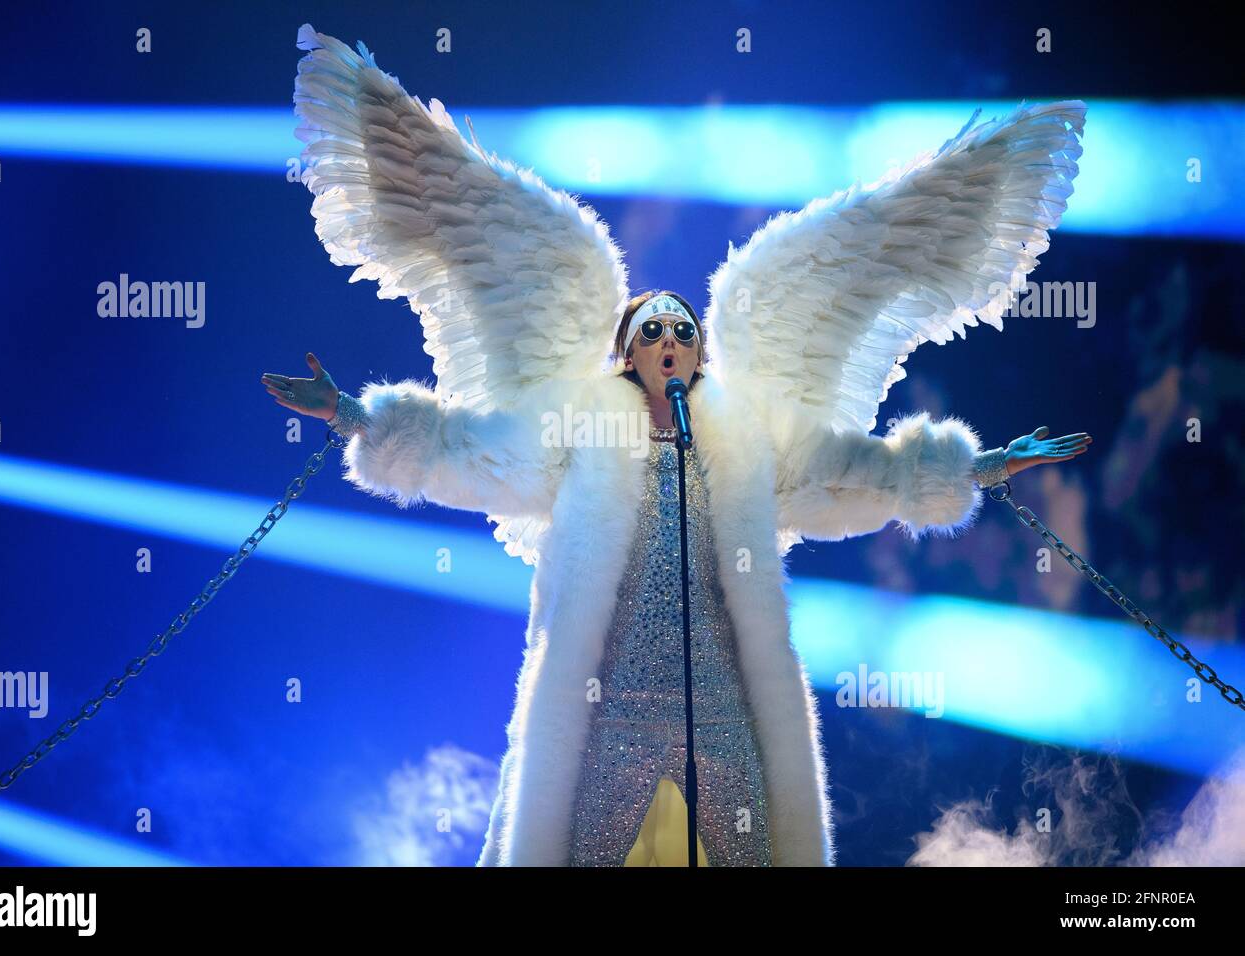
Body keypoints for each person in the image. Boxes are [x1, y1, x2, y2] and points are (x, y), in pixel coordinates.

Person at [266, 24, 1090, 865]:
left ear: (699, 351)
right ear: (627, 352)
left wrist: (983, 467)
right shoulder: (579, 425)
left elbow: (857, 478)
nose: (670, 337)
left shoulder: (749, 433)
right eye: (652, 329)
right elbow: (470, 456)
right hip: (602, 727)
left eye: (683, 330)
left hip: (726, 720)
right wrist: (354, 418)